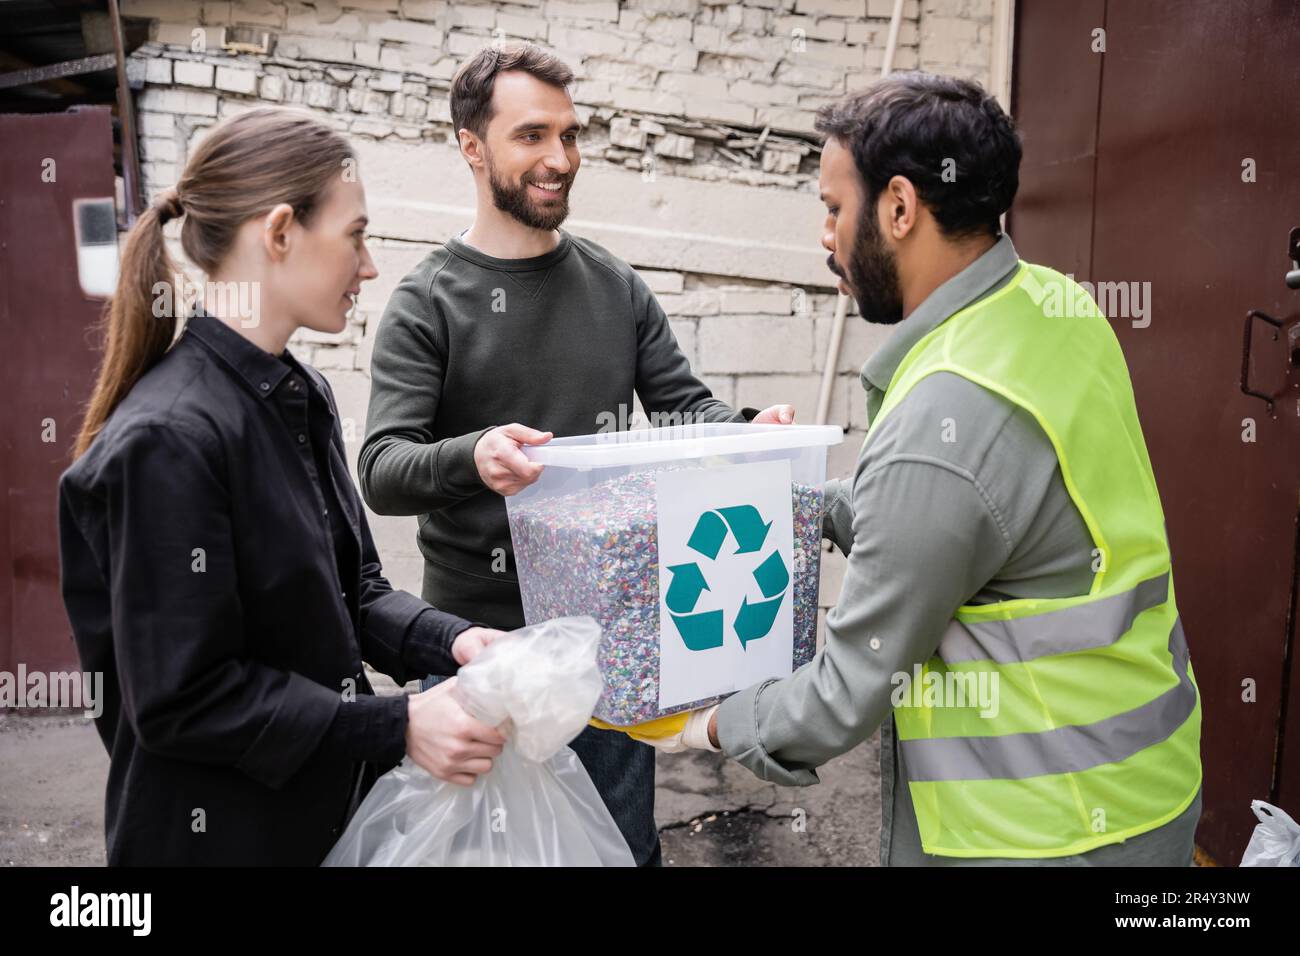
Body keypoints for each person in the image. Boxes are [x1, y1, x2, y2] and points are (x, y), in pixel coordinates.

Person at [632, 73, 1204, 866]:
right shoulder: (1053, 306)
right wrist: (799, 506)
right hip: (1149, 782)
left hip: (1042, 829)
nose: (824, 234)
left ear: (900, 208)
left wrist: (698, 724)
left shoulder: (948, 415)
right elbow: (982, 516)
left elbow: (842, 696)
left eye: (834, 208)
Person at [357, 43, 795, 866]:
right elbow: (382, 469)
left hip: (608, 650)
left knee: (619, 853)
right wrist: (473, 455)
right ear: (471, 146)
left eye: (569, 134)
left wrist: (747, 430)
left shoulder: (614, 285)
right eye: (532, 136)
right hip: (476, 656)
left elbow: (683, 409)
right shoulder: (426, 302)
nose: (560, 159)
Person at [59, 107, 508, 866]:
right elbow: (183, 699)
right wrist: (396, 724)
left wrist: (456, 640)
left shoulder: (297, 393)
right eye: (356, 235)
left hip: (315, 819)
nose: (368, 267)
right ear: (278, 233)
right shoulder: (168, 439)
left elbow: (353, 589)